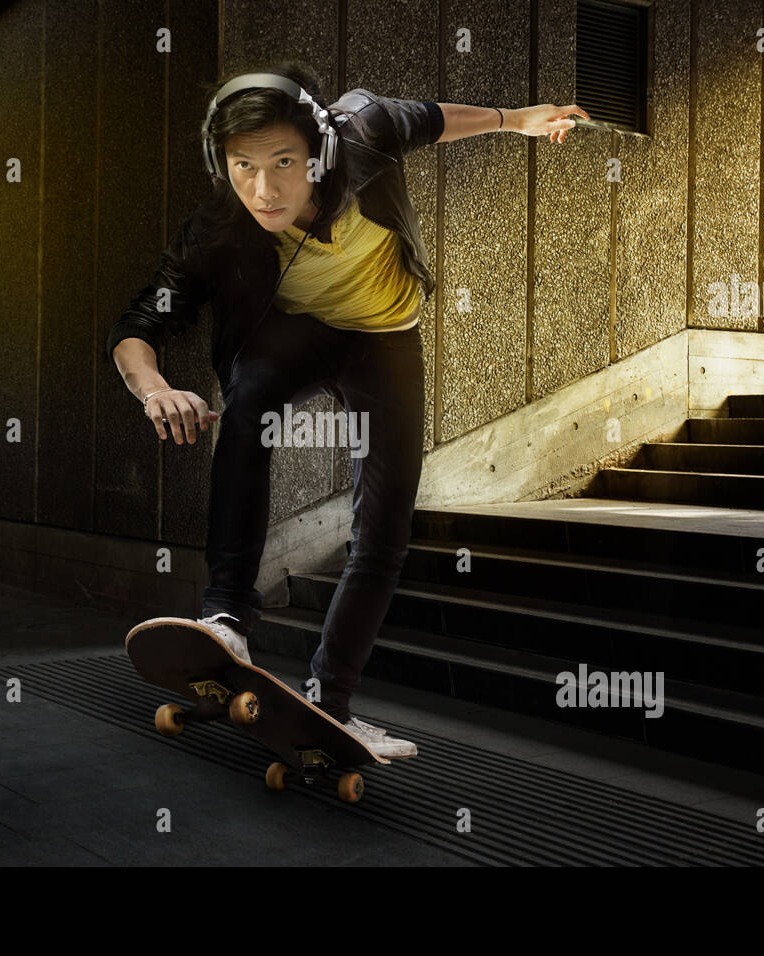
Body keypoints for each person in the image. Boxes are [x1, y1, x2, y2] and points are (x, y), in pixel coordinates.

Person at [108, 60, 586, 759]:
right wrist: (154, 389)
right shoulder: (218, 228)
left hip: (387, 341)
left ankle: (331, 701)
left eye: (282, 163)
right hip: (295, 337)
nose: (263, 190)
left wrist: (518, 120)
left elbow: (437, 118)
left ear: (320, 150)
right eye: (242, 167)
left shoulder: (367, 127)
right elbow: (138, 325)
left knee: (384, 526)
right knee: (246, 401)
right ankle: (225, 616)